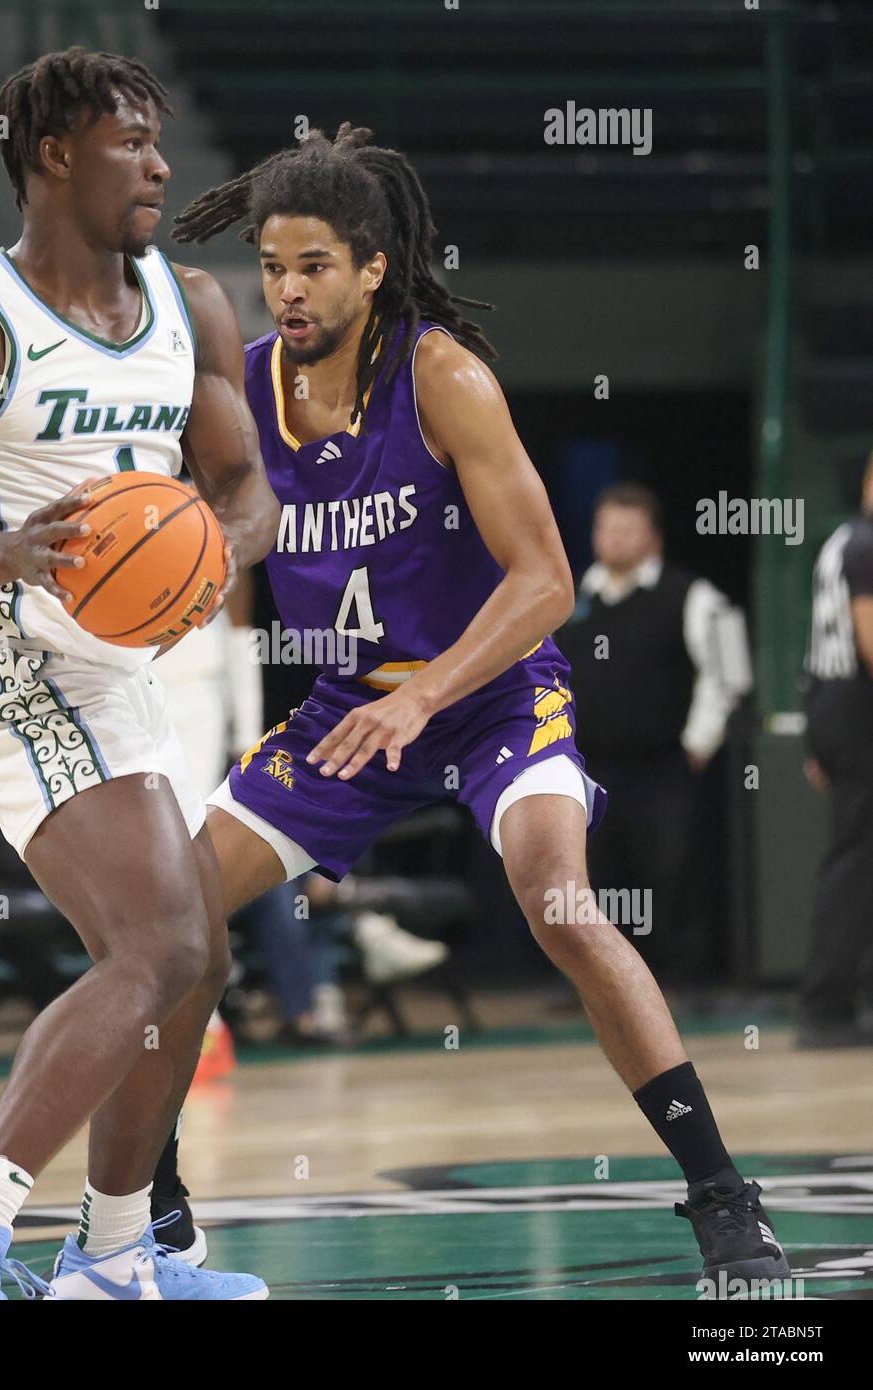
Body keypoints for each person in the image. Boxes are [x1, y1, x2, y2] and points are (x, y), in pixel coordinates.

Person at [156, 122, 789, 1287]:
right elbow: (223, 558)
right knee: (174, 920)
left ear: (373, 266)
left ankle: (720, 1195)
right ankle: (153, 1203)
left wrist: (428, 695)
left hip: (493, 691)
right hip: (353, 707)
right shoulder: (243, 391)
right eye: (273, 268)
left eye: (315, 268)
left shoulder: (440, 374)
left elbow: (545, 579)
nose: (288, 291)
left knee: (560, 903)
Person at [0, 48, 279, 1300]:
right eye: (129, 142)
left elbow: (246, 487)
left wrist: (214, 555)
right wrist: (15, 551)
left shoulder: (192, 303)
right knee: (155, 944)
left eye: (157, 140)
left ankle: (111, 1255)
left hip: (128, 678)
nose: (159, 165)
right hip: (16, 667)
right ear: (51, 155)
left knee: (194, 958)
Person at [559, 483, 749, 982]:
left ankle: (683, 980)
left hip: (664, 767)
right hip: (588, 771)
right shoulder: (569, 597)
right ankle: (601, 985)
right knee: (591, 879)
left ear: (654, 539)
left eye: (627, 529)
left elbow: (730, 674)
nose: (614, 539)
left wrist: (699, 742)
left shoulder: (694, 595)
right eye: (606, 527)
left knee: (672, 872)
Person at [799, 452, 873, 1048]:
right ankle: (827, 1007)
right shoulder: (866, 544)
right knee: (855, 860)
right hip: (856, 708)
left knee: (853, 855)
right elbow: (869, 640)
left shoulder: (842, 540)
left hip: (832, 704)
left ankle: (836, 1000)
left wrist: (815, 734)